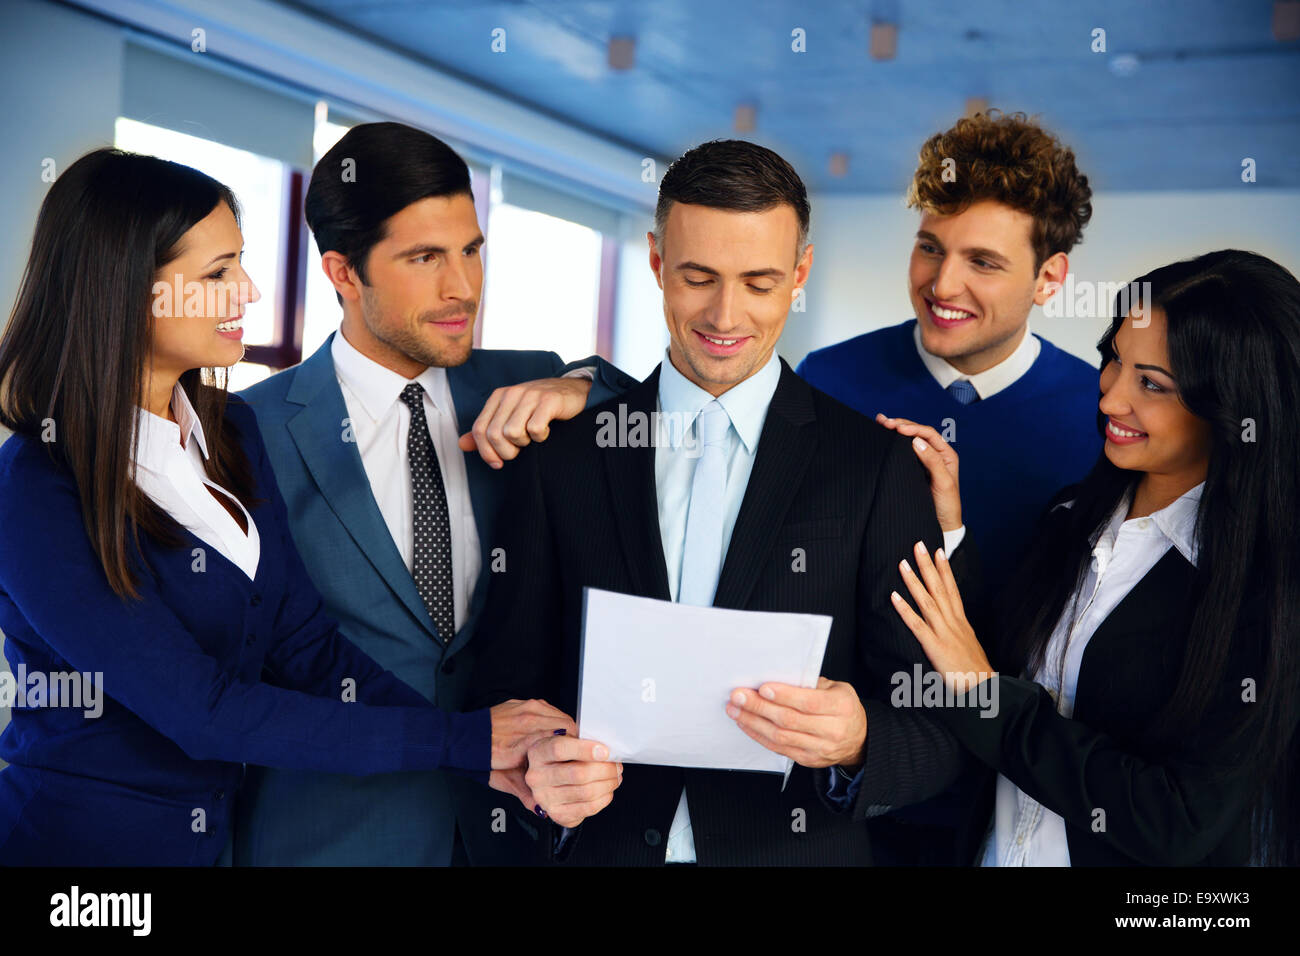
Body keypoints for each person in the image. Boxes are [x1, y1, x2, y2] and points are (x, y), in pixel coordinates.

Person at [0, 148, 570, 865]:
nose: (248, 293)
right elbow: (203, 711)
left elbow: (308, 650)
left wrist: (479, 755)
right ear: (127, 289)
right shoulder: (39, 483)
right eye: (216, 275)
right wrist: (462, 740)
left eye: (238, 264)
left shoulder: (227, 430)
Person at [463, 139, 973, 866]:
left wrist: (861, 740)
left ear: (801, 273)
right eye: (698, 276)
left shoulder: (877, 467)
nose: (725, 315)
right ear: (654, 262)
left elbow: (941, 726)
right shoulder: (560, 457)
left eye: (760, 282)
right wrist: (538, 768)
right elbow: (504, 685)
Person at [233, 122, 635, 866]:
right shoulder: (248, 430)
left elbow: (647, 408)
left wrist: (579, 386)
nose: (464, 288)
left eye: (472, 250)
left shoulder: (529, 382)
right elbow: (233, 684)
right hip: (328, 841)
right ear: (343, 273)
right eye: (425, 258)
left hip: (511, 836)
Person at [885, 250, 1300, 865]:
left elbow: (1175, 822)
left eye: (1152, 384)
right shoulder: (1071, 515)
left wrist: (984, 698)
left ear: (1232, 409)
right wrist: (949, 525)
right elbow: (986, 661)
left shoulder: (1265, 588)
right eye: (1114, 362)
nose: (1109, 400)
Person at [797, 110, 1100, 577]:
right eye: (931, 248)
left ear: (1048, 279)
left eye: (982, 262)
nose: (942, 286)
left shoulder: (1103, 415)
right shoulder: (825, 380)